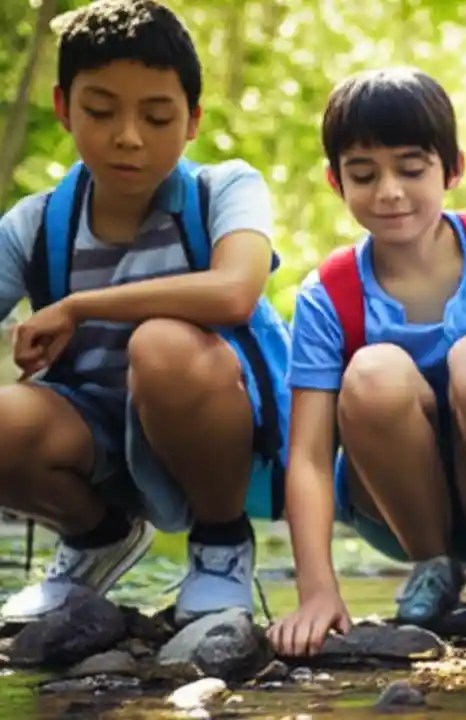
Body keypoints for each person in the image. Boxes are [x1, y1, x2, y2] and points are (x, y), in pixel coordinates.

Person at [0, 0, 291, 625]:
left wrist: (80, 305)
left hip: (208, 422)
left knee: (162, 346)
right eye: (100, 111)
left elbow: (235, 291)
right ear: (62, 108)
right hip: (90, 434)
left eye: (157, 116)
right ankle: (95, 538)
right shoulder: (38, 224)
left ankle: (220, 544)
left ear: (191, 121)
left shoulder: (225, 190)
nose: (127, 136)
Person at [267, 68, 466, 656]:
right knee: (373, 371)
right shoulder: (329, 295)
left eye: (411, 169)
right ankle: (432, 565)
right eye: (364, 174)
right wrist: (316, 589)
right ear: (337, 182)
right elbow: (308, 456)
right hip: (394, 505)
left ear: (453, 169)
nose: (389, 191)